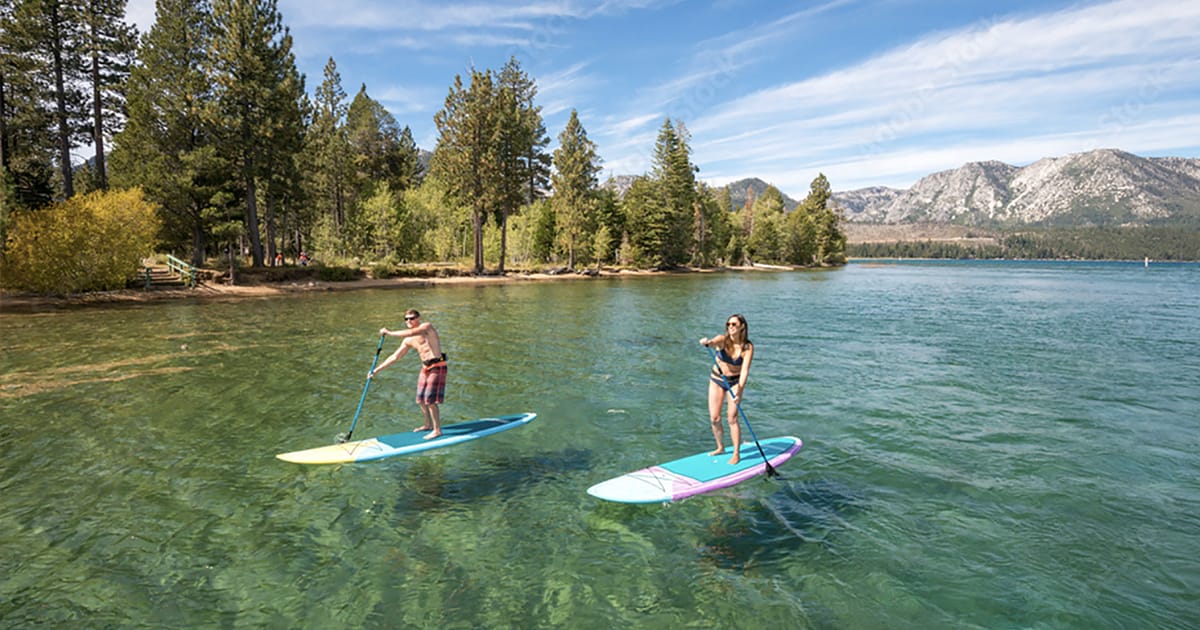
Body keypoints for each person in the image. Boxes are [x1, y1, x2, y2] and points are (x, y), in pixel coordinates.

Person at [369, 309, 447, 439]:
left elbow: (411, 332)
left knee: (430, 400)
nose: (409, 321)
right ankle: (427, 425)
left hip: (437, 366)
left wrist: (389, 332)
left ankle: (437, 430)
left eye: (412, 318)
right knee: (420, 399)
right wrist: (376, 370)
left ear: (418, 318)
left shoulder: (426, 327)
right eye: (406, 319)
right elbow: (395, 356)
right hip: (425, 368)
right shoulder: (408, 340)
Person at [698, 314, 754, 465]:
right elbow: (712, 342)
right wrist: (707, 342)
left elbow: (744, 371)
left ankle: (736, 453)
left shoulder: (747, 347)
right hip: (717, 380)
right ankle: (720, 447)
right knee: (714, 418)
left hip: (735, 382)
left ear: (742, 326)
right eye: (728, 324)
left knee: (732, 418)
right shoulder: (723, 340)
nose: (730, 327)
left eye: (734, 324)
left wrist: (739, 392)